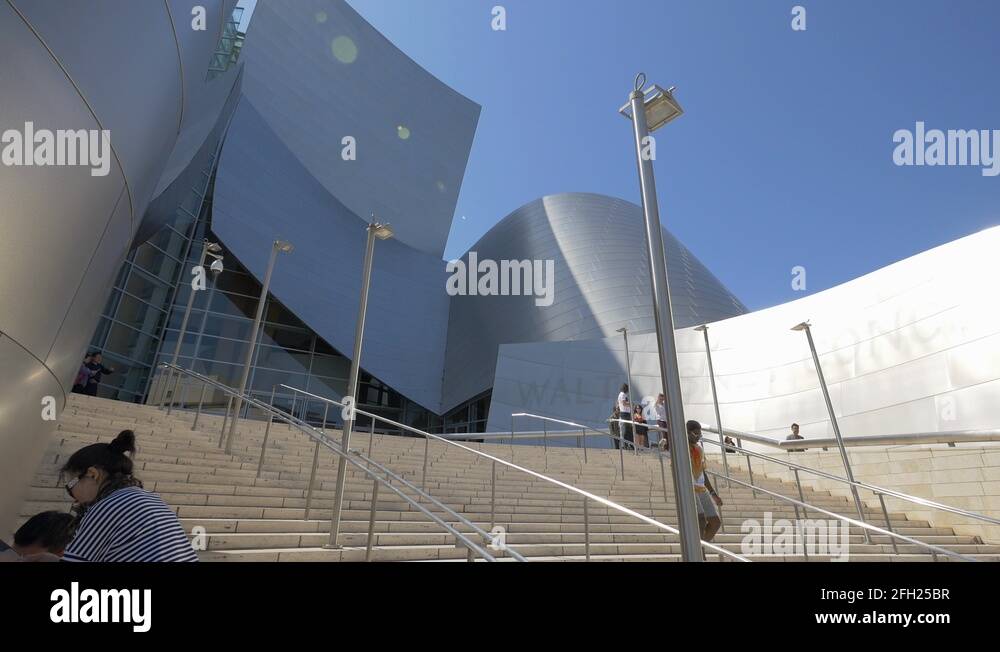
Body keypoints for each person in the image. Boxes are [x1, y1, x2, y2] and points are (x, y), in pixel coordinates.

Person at [61, 429, 197, 562]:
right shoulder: (151, 498)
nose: (73, 498)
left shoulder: (108, 507)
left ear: (92, 474)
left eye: (70, 486)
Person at [687, 420, 723, 544]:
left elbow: (703, 472)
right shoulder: (682, 447)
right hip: (689, 488)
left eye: (700, 434)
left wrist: (713, 493)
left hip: (701, 488)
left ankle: (700, 547)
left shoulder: (699, 448)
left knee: (715, 522)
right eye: (695, 434)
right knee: (701, 519)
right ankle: (699, 553)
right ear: (687, 433)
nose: (698, 437)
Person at [616, 384, 633, 451]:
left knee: (626, 430)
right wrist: (631, 404)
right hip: (625, 414)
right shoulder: (623, 394)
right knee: (626, 430)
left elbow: (619, 403)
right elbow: (624, 403)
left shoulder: (621, 394)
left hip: (625, 413)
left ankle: (626, 445)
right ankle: (625, 445)